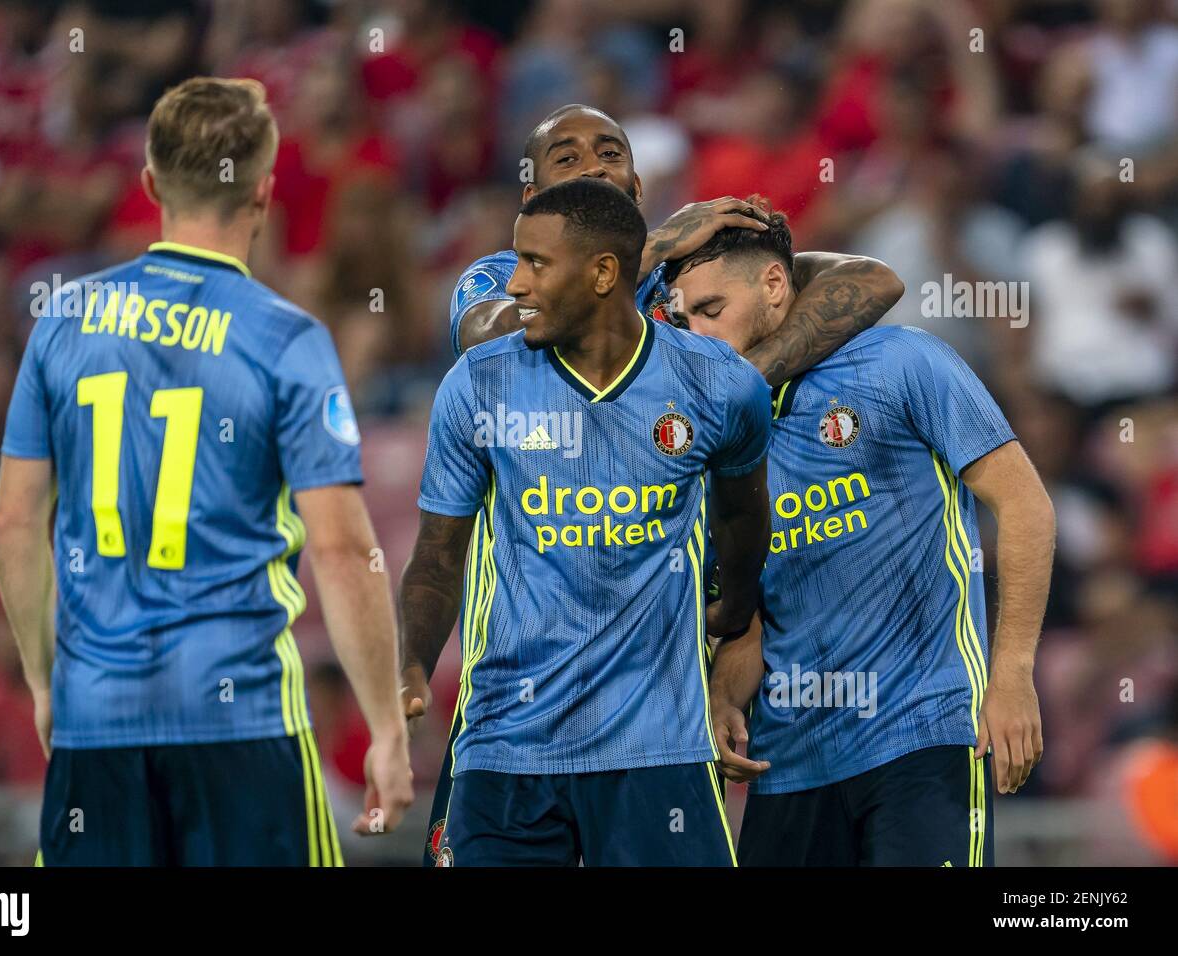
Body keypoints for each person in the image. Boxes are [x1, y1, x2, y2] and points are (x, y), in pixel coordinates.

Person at [414, 101, 905, 866]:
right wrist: (657, 242)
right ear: (533, 204)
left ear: (637, 183)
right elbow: (486, 331)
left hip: (653, 724)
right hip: (515, 708)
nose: (592, 166)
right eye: (566, 159)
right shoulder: (504, 282)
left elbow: (872, 281)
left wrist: (729, 384)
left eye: (608, 152)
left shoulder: (684, 296)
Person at [0, 77, 411, 866]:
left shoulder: (63, 322)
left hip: (98, 720)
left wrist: (46, 683)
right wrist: (385, 729)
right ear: (263, 190)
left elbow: (15, 522)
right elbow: (345, 551)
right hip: (238, 719)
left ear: (150, 184)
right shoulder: (287, 339)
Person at [398, 177, 773, 866]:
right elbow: (438, 557)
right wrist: (412, 665)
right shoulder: (479, 384)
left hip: (657, 748)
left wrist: (736, 612)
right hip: (506, 744)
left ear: (604, 274)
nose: (514, 284)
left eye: (535, 263)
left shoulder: (719, 384)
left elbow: (745, 518)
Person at [669, 204, 1054, 866]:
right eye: (684, 320)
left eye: (711, 309)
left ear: (772, 285)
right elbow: (754, 618)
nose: (698, 334)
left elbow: (1024, 505)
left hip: (921, 734)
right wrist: (725, 695)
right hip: (788, 759)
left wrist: (1013, 671)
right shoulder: (719, 434)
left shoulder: (903, 362)